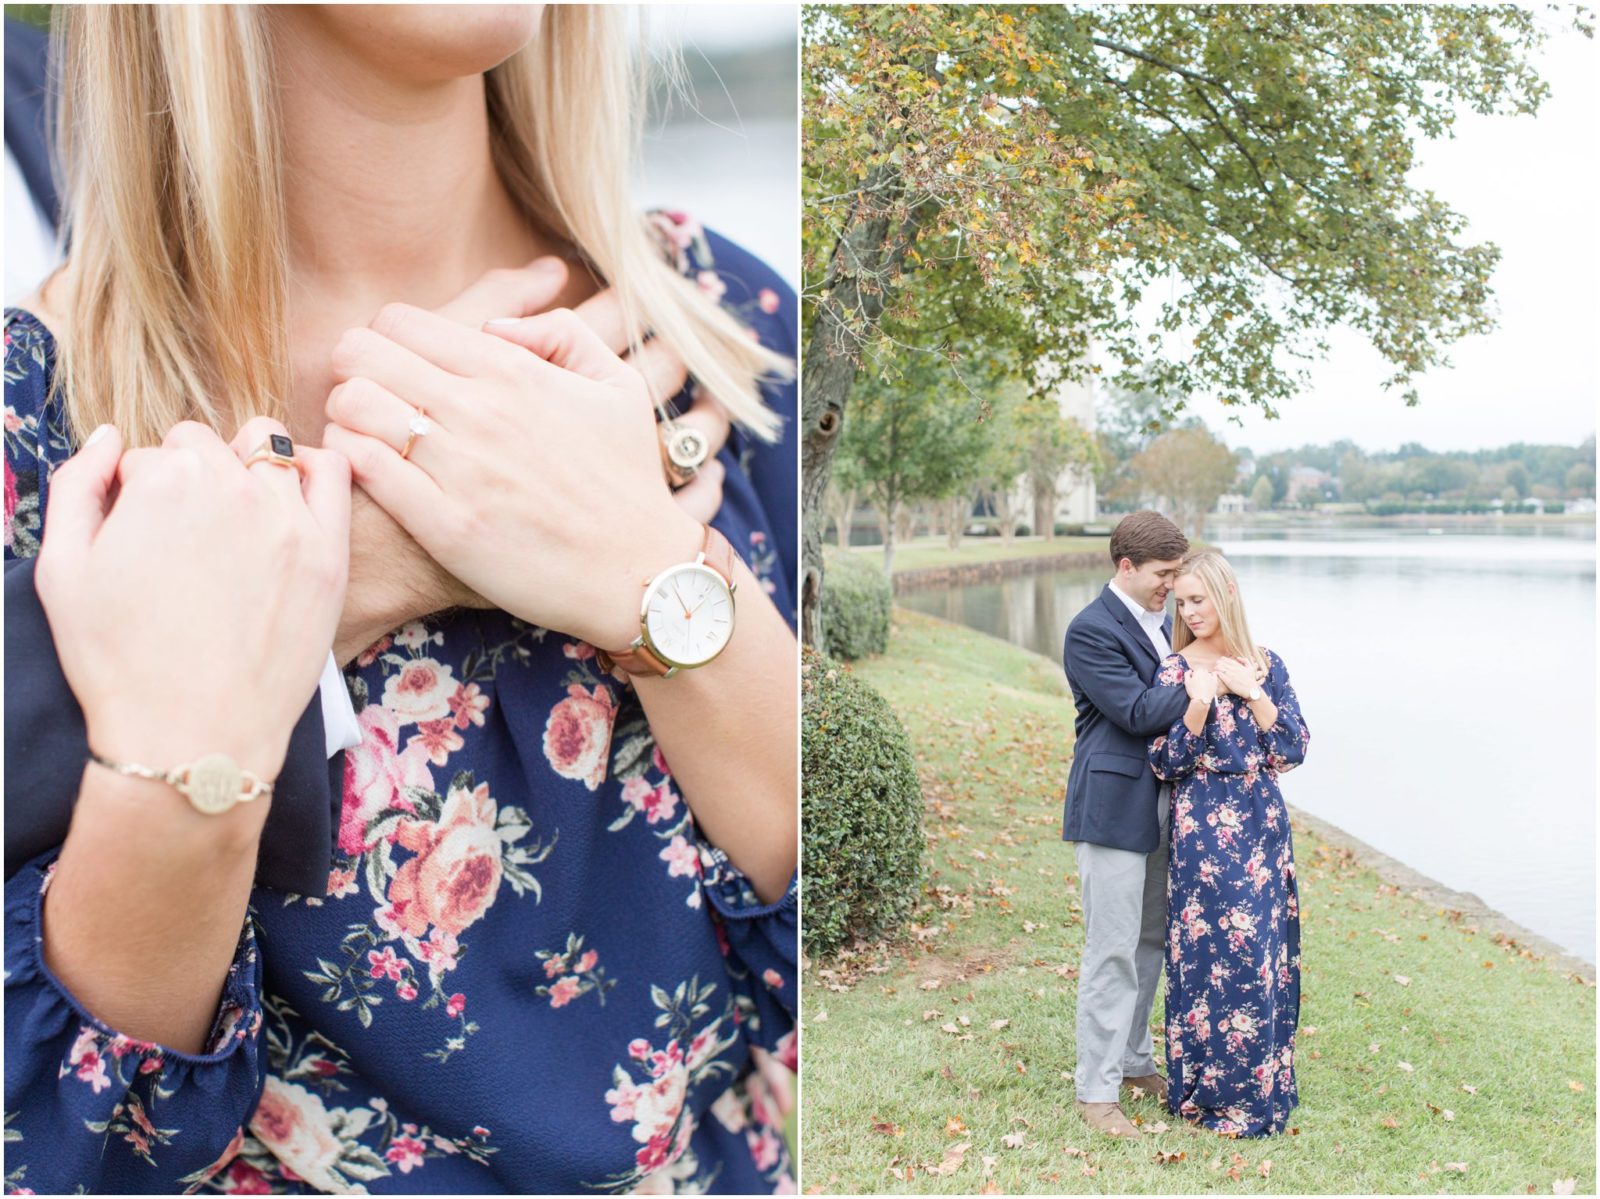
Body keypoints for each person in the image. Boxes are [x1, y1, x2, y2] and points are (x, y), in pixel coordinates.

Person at [3, 6, 797, 1193]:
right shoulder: (41, 437)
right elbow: (57, 1150)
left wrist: (647, 568)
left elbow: (838, 948)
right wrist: (307, 604)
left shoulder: (709, 320)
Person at [1148, 548, 1308, 1136]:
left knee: (1261, 956)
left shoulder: (1267, 664)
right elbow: (1165, 762)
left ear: (1228, 595)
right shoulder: (1173, 669)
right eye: (1182, 601)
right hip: (1201, 827)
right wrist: (1196, 704)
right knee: (1207, 954)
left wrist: (1249, 691)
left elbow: (1292, 750)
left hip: (1262, 825)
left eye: (1199, 599)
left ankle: (1259, 1088)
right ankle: (1205, 1090)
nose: (1190, 611)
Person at [1060, 510, 1194, 1138]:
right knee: (1112, 950)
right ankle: (1097, 1092)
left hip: (1167, 803)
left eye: (1177, 574)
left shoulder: (1165, 626)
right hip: (1112, 808)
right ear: (1126, 567)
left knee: (1151, 942)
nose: (1171, 584)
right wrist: (1207, 685)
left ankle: (1136, 1061)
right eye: (1163, 574)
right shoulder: (1090, 630)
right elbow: (1138, 712)